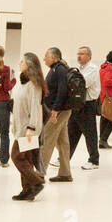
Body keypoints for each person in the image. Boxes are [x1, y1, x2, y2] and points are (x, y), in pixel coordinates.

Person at [10, 52, 47, 200]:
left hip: (29, 129)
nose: (19, 63)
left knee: (16, 157)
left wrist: (31, 128)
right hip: (21, 128)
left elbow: (34, 108)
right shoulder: (22, 82)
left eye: (22, 61)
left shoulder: (34, 84)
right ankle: (27, 190)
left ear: (30, 64)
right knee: (27, 159)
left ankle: (37, 182)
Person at [39, 47, 73, 183]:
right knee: (62, 141)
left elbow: (62, 91)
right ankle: (65, 173)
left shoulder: (60, 69)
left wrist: (55, 110)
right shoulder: (56, 68)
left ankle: (39, 174)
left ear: (53, 57)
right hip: (60, 110)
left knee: (47, 138)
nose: (44, 59)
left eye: (46, 56)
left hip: (59, 111)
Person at [67, 45, 101, 171]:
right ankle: (65, 158)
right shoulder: (78, 69)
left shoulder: (92, 68)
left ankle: (94, 160)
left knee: (90, 133)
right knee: (71, 132)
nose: (79, 56)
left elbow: (81, 83)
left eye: (82, 54)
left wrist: (71, 80)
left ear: (89, 56)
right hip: (76, 104)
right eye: (78, 53)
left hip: (88, 104)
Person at [98, 50, 112, 149]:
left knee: (105, 118)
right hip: (111, 96)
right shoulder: (111, 68)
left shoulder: (103, 66)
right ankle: (103, 139)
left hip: (103, 96)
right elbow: (108, 81)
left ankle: (102, 140)